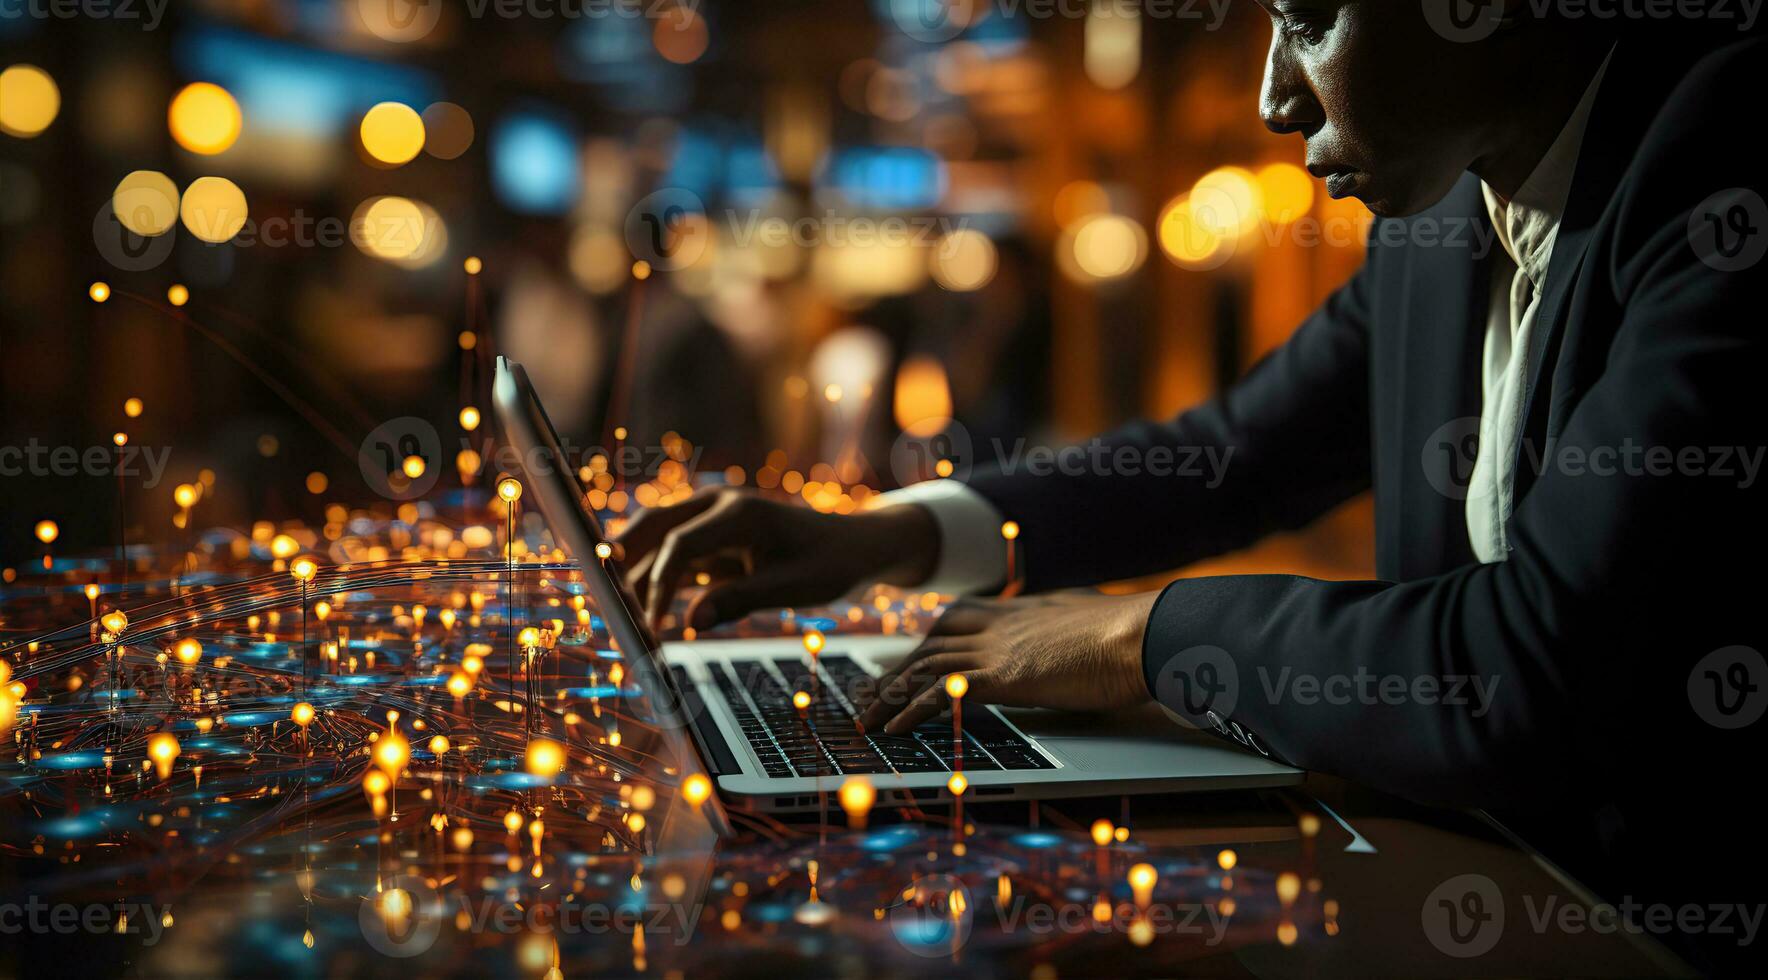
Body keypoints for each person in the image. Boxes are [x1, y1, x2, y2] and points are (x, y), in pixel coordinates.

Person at [621, 9, 1765, 971]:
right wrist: (880, 537)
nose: (1275, 97)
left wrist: (1138, 636)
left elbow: (1528, 669)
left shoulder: (1719, 159)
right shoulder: (1444, 216)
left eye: (1309, 20)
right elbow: (1232, 454)